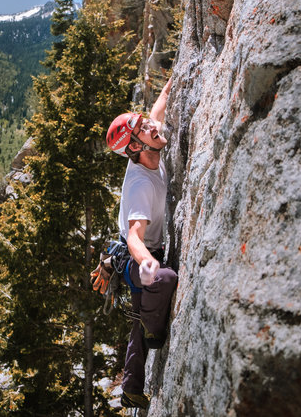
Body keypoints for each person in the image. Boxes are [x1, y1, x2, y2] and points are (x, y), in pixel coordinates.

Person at [98, 78, 178, 411]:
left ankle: (131, 387)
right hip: (137, 258)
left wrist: (170, 84)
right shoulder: (140, 186)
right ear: (134, 147)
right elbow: (133, 235)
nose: (151, 125)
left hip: (143, 253)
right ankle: (152, 330)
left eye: (144, 122)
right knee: (162, 280)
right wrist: (148, 262)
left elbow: (158, 108)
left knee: (140, 317)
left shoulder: (149, 142)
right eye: (142, 128)